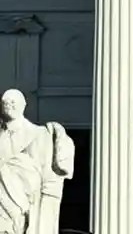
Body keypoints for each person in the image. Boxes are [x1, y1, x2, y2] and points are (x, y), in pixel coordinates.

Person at [0, 90, 73, 234]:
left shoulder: (39, 134)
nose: (8, 105)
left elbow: (49, 176)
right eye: (5, 102)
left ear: (23, 105)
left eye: (13, 102)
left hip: (26, 205)